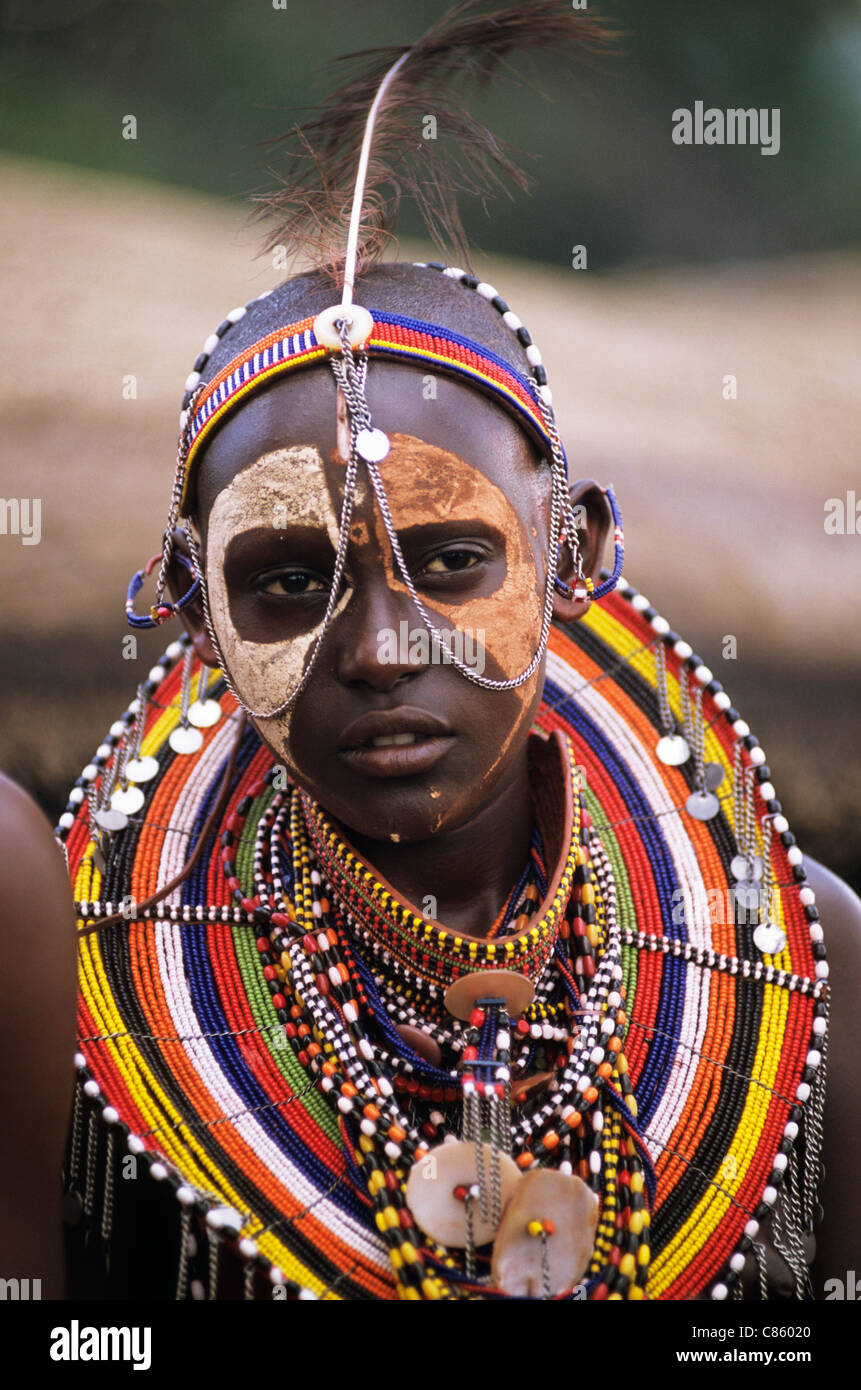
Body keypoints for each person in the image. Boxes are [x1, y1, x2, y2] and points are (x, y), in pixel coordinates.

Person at [44, 2, 861, 1300]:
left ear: (578, 551)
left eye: (449, 561)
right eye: (285, 583)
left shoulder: (806, 951)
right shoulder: (62, 956)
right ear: (192, 611)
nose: (373, 649)